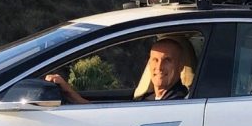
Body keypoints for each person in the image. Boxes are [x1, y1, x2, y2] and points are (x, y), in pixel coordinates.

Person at [46, 38, 189, 104]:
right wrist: (68, 92)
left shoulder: (177, 102)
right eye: (155, 60)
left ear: (181, 66)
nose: (159, 67)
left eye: (167, 60)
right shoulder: (150, 99)